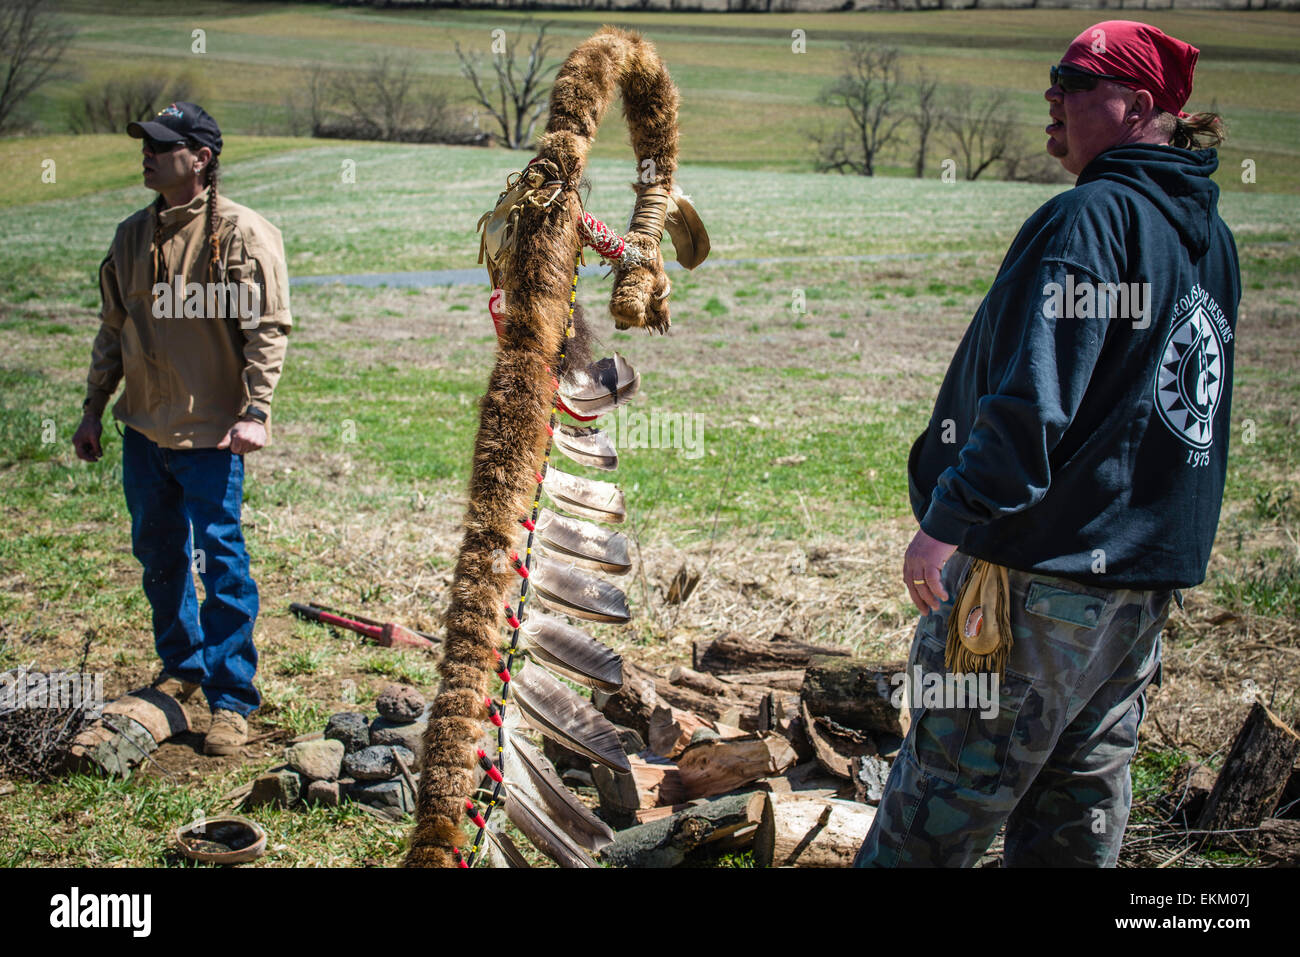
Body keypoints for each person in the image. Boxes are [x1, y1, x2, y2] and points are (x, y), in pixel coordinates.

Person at [855, 21, 1238, 867]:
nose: (1051, 96)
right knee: (1073, 826)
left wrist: (947, 521)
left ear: (1138, 105)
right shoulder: (1208, 238)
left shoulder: (1093, 217)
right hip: (1137, 594)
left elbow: (1035, 402)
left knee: (934, 816)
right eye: (1052, 79)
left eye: (1074, 80)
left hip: (1033, 586)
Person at [71, 102, 292, 757]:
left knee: (221, 565)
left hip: (212, 436)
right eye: (145, 144)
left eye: (163, 146)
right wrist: (92, 407)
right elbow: (114, 331)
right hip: (143, 431)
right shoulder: (130, 237)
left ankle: (231, 700)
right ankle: (184, 663)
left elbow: (267, 330)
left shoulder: (243, 234)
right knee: (160, 558)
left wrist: (255, 412)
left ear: (200, 157)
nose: (147, 154)